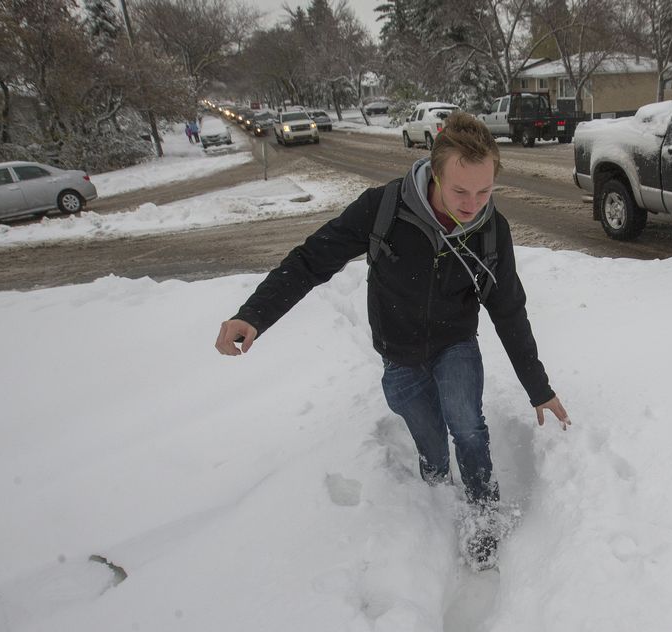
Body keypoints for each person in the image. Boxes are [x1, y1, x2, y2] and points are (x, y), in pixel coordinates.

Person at [214, 112, 569, 569]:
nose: (473, 204)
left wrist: (538, 387)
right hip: (398, 354)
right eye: (460, 190)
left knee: (467, 425)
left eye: (485, 191)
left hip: (455, 343)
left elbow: (508, 311)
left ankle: (482, 509)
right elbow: (311, 260)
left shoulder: (491, 232)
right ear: (434, 173)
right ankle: (435, 483)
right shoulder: (384, 208)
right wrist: (254, 314)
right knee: (430, 441)